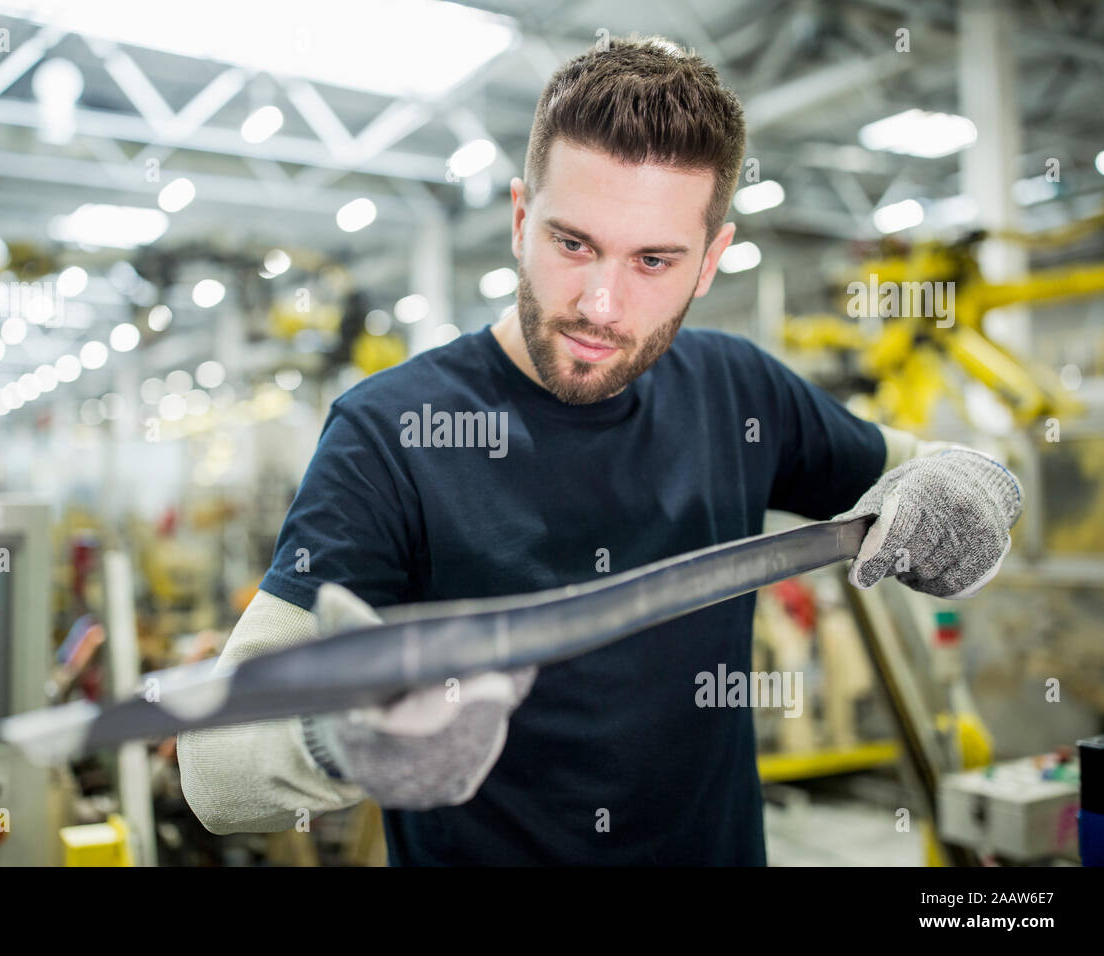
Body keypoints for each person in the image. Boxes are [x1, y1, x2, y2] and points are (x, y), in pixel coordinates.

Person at [178, 34, 1023, 865]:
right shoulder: (388, 434)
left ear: (710, 262)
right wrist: (341, 743)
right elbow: (216, 769)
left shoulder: (738, 391)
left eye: (654, 259)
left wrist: (976, 489)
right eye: (572, 243)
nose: (602, 305)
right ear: (520, 219)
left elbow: (933, 468)